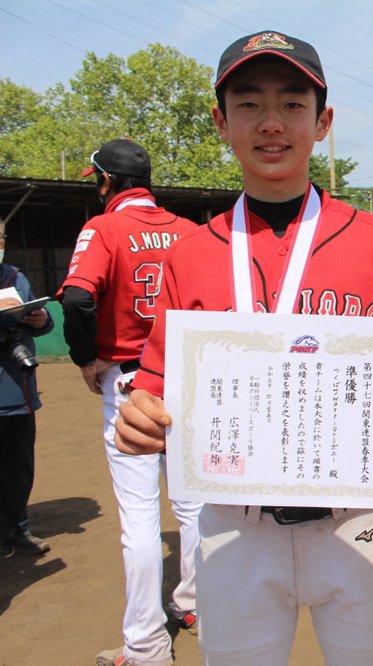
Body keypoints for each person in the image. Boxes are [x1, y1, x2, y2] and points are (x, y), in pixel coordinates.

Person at [113, 31, 373, 666]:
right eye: (249, 104)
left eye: (293, 103)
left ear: (324, 121)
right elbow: (154, 385)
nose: (272, 123)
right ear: (221, 122)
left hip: (355, 524)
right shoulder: (192, 252)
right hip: (234, 527)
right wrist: (139, 414)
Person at [55, 139, 202, 666]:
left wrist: (85, 359)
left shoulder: (104, 227)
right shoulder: (188, 230)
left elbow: (76, 297)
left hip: (130, 382)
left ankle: (145, 645)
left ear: (106, 181)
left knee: (139, 515)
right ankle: (195, 604)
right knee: (193, 505)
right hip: (187, 378)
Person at [0, 222, 53, 556]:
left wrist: (41, 319)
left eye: (0, 237)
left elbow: (43, 319)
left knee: (18, 469)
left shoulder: (14, 276)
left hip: (17, 392)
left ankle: (16, 529)